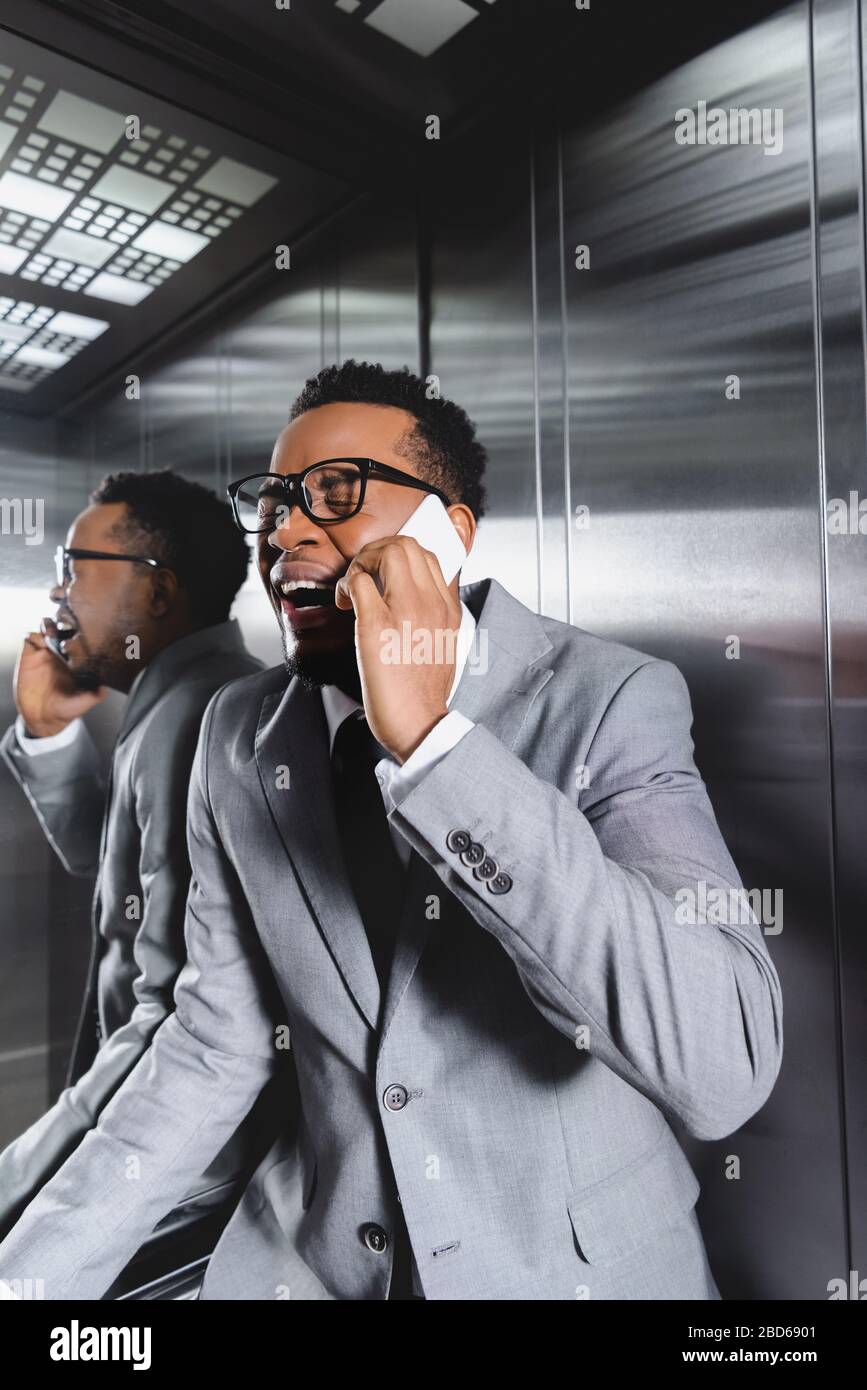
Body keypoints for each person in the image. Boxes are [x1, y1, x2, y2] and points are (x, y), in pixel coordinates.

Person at [0, 361, 783, 1300]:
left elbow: (721, 1065)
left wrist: (434, 748)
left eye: (335, 493)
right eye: (276, 503)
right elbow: (213, 1048)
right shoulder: (237, 736)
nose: (286, 529)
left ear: (446, 534)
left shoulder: (607, 698)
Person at [0, 471, 267, 1241]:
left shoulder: (200, 713)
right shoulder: (177, 699)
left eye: (74, 568)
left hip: (175, 1157)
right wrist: (49, 729)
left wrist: (27, 1179)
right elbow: (114, 872)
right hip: (153, 1133)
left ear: (156, 594)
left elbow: (177, 1013)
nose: (58, 596)